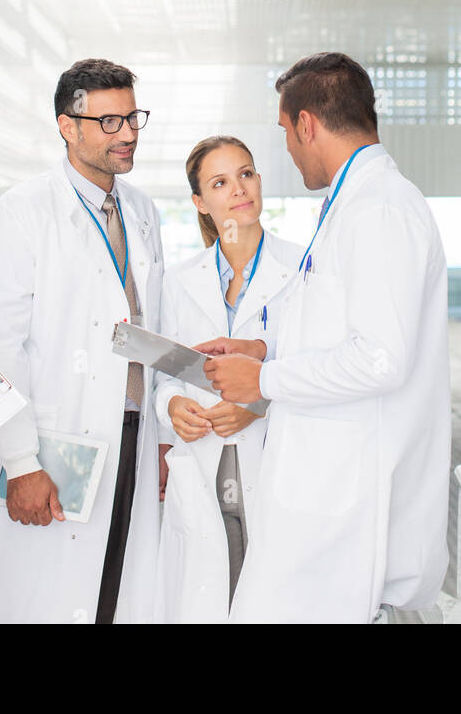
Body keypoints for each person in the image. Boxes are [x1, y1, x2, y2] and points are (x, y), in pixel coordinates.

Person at [200, 52, 451, 624]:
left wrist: (262, 379)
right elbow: (341, 326)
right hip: (328, 508)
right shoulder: (354, 205)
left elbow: (381, 359)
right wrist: (261, 350)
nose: (287, 148)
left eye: (286, 132)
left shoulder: (380, 209)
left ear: (307, 124)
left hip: (351, 521)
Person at [0, 58, 166, 624]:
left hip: (133, 429)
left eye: (132, 118)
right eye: (109, 122)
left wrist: (161, 436)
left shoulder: (142, 211)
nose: (127, 133)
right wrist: (21, 461)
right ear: (68, 126)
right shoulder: (21, 214)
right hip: (56, 443)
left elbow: (148, 324)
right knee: (52, 598)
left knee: (124, 591)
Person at [154, 136, 301, 623]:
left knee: (271, 594)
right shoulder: (178, 280)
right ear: (200, 202)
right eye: (220, 182)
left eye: (246, 173)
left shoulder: (304, 269)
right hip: (200, 457)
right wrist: (172, 407)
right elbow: (166, 373)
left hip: (278, 454)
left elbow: (321, 371)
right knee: (203, 594)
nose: (239, 189)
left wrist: (259, 402)